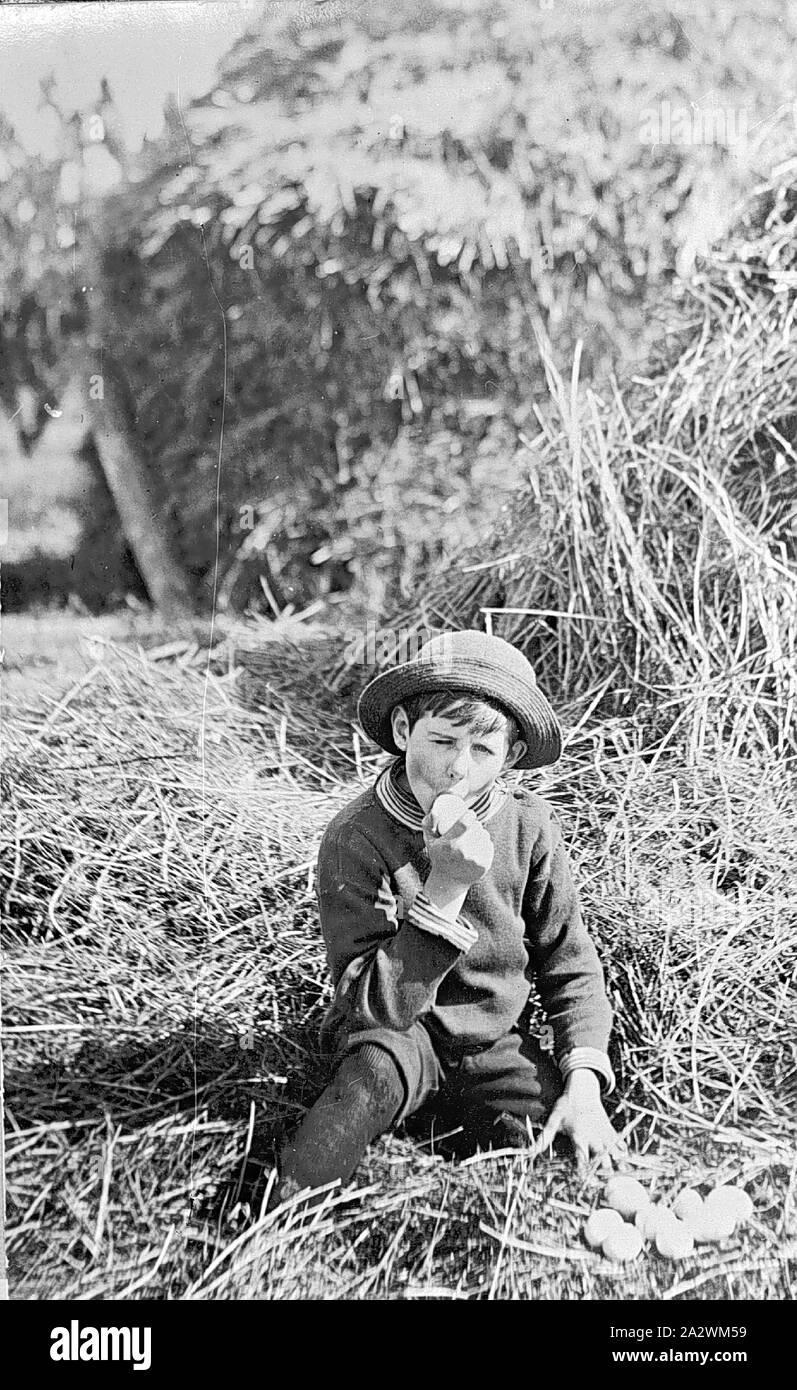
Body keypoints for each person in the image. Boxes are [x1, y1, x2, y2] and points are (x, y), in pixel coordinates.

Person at [274, 629, 625, 1206]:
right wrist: (446, 888)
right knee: (359, 1092)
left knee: (561, 1143)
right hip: (396, 1035)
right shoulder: (358, 836)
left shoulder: (528, 826)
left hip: (490, 1040)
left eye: (483, 750)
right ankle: (283, 1208)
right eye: (441, 740)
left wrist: (584, 1083)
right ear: (403, 731)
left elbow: (570, 961)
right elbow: (374, 1006)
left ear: (510, 756)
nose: (456, 769)